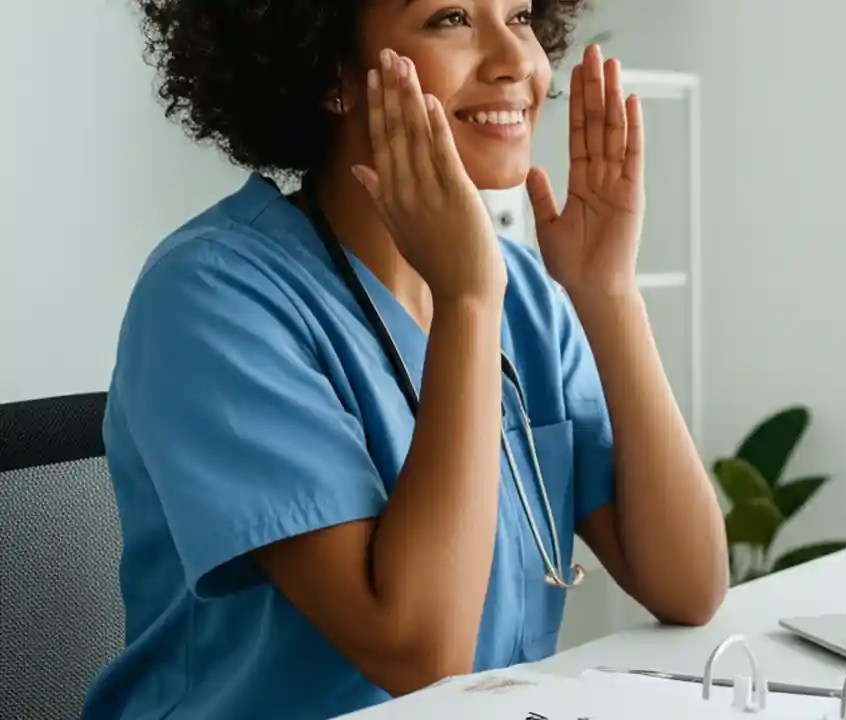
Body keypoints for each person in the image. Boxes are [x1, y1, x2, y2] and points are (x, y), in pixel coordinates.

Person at [80, 0, 728, 717]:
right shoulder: (210, 297)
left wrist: (607, 294)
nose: (517, 61)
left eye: (517, 15)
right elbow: (421, 656)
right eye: (450, 18)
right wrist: (467, 303)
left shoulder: (528, 300)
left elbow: (688, 584)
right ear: (334, 71)